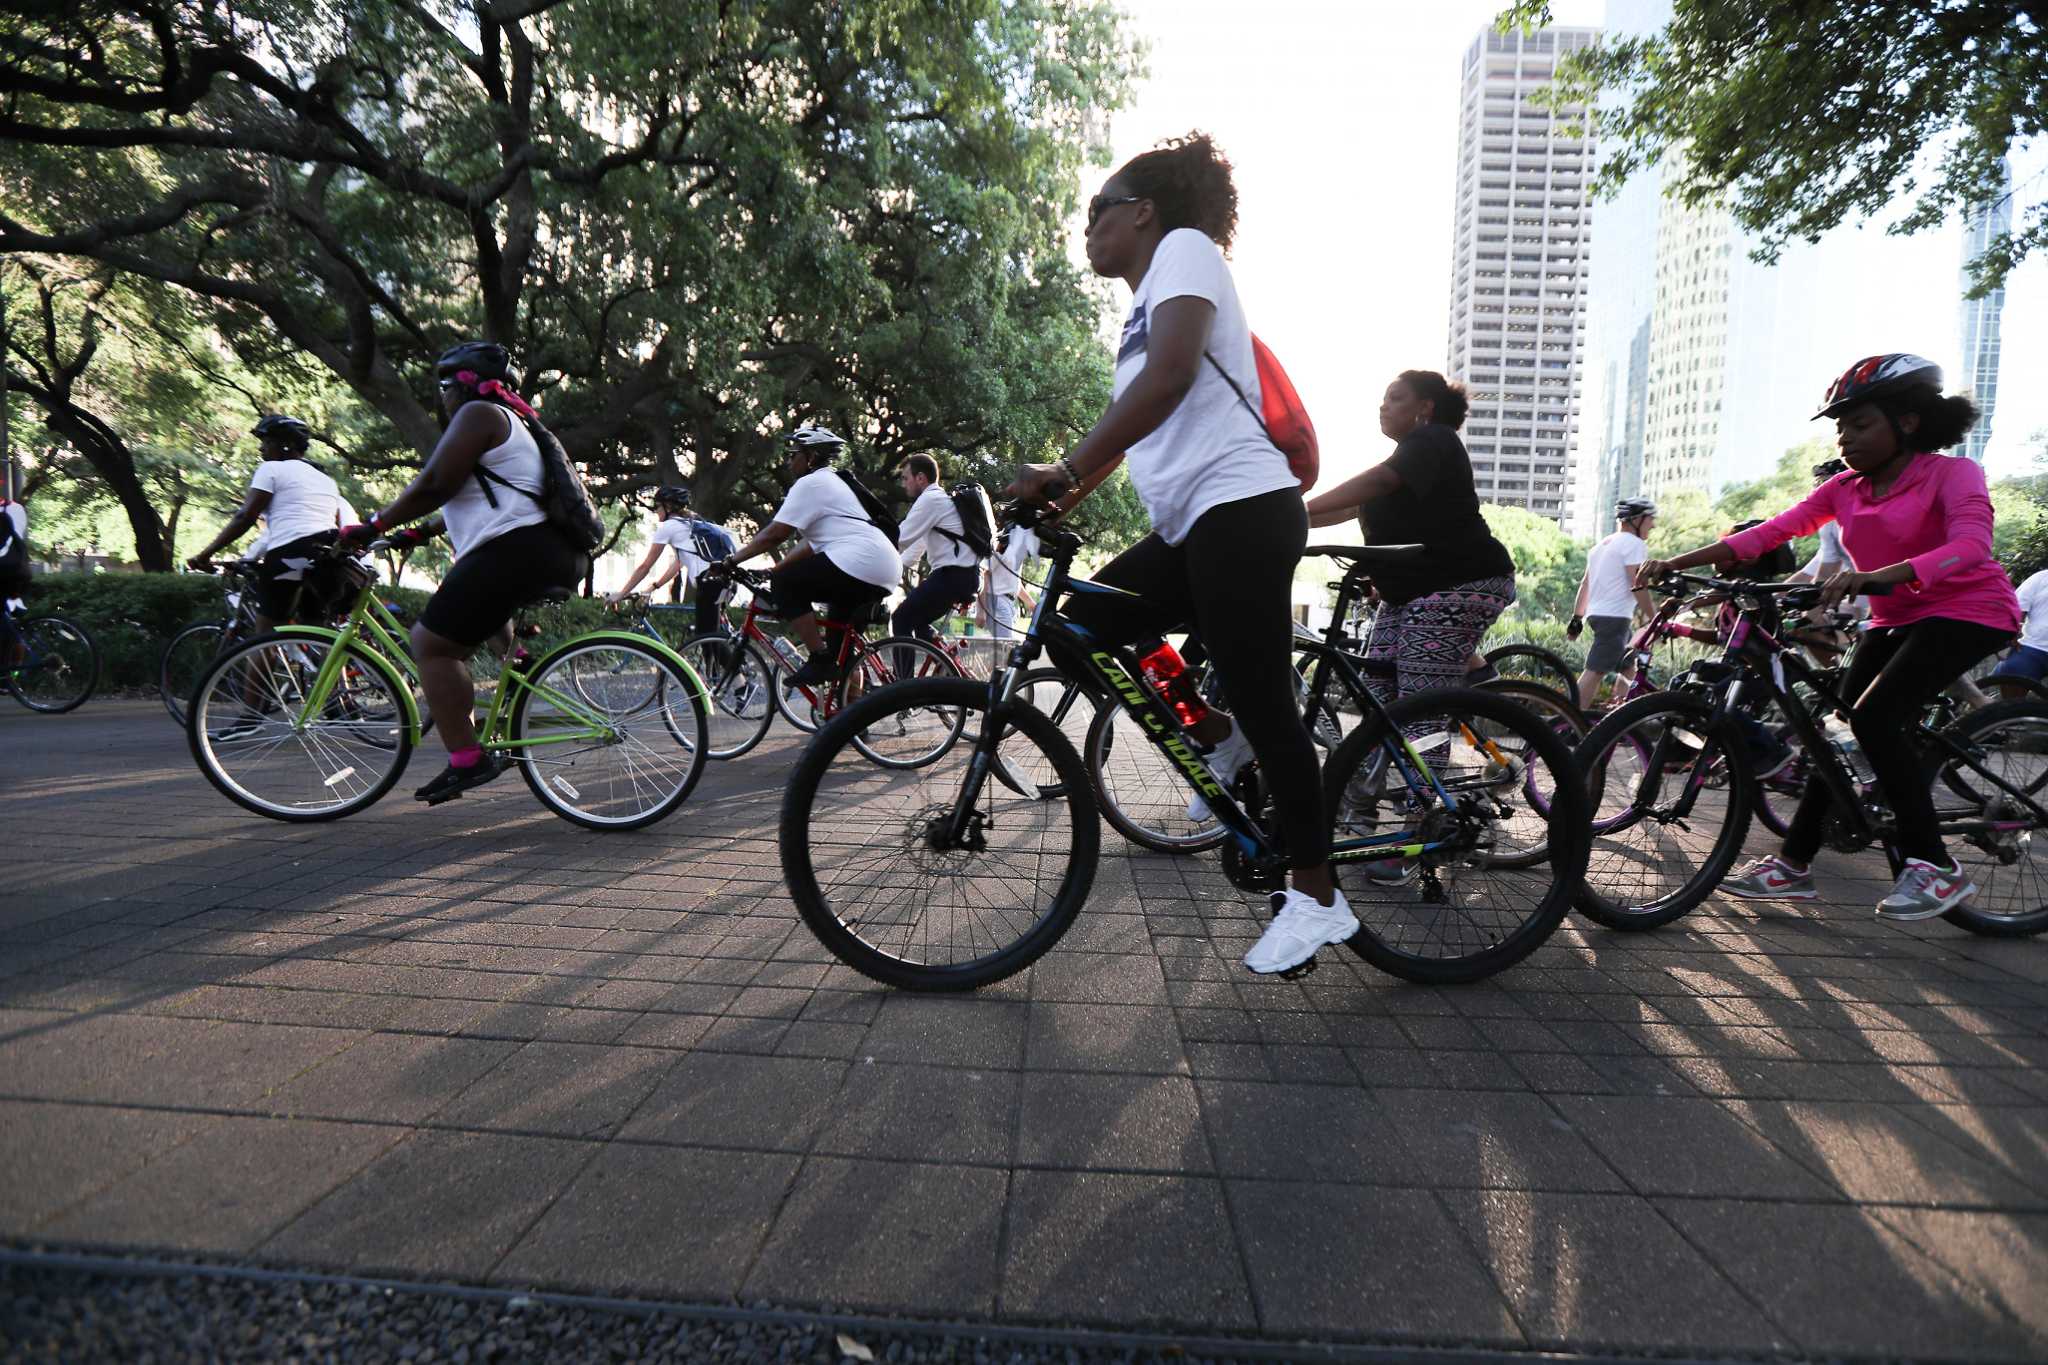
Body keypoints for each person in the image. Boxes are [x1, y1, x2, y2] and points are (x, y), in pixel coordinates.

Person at [1004, 132, 1343, 975]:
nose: (1089, 230)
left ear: (1144, 211)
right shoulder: (1143, 302)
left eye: (1098, 213)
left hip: (1244, 509)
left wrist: (1063, 468)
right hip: (1196, 524)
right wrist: (1055, 498)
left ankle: (1317, 896)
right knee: (1080, 625)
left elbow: (1175, 378)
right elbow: (1134, 430)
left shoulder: (1186, 253)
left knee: (1272, 705)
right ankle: (1214, 732)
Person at [1636, 353, 2021, 921]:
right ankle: (1792, 864)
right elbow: (1769, 533)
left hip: (1970, 609)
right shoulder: (1845, 488)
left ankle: (1936, 867)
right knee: (1835, 730)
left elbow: (1971, 547)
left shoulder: (1954, 474)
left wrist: (1875, 577)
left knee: (1873, 718)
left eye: (1859, 424)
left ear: (1907, 422)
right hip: (1894, 618)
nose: (1846, 438)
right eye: (1840, 427)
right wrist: (1675, 560)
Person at [340, 342, 588, 804]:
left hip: (514, 550)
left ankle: (467, 759)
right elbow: (486, 495)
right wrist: (417, 534)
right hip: (541, 549)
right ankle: (522, 679)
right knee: (482, 616)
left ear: (465, 384)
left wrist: (373, 525)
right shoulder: (518, 423)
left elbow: (435, 483)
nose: (442, 396)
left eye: (443, 385)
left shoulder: (479, 414)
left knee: (431, 645)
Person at [1304, 370, 1518, 729]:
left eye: (1395, 397)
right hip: (1410, 592)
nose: (1383, 406)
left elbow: (1379, 479)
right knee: (1378, 695)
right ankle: (1374, 780)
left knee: (1418, 706)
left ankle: (1423, 783)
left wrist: (1298, 509)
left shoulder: (1435, 439)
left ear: (1425, 407)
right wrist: (1283, 521)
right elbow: (1347, 507)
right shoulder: (1411, 456)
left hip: (1460, 582)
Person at [715, 425, 901, 686]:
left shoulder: (811, 483)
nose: (790, 460)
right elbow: (809, 545)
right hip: (880, 565)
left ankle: (818, 660)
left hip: (859, 561)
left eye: (794, 454)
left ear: (811, 457)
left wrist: (731, 560)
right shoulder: (834, 483)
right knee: (842, 653)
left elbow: (775, 534)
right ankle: (849, 716)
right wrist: (774, 569)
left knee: (786, 585)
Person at [187, 416, 355, 632]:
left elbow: (245, 517)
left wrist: (205, 555)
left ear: (286, 445)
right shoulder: (327, 480)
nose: (261, 448)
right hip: (328, 556)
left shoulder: (271, 469)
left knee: (265, 638)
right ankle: (326, 664)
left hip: (290, 554)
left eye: (266, 442)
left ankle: (263, 659)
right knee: (321, 635)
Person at [608, 485, 736, 637]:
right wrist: (654, 587)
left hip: (709, 583)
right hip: (726, 580)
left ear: (668, 507)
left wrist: (622, 593)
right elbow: (678, 563)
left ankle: (733, 660)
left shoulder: (668, 527)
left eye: (657, 506)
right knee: (713, 638)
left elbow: (645, 566)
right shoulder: (693, 523)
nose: (655, 511)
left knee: (707, 640)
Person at [1568, 498, 1657, 708]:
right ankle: (1569, 721)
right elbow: (1638, 585)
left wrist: (1576, 618)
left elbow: (1586, 583)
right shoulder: (1634, 544)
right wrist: (1655, 619)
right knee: (1595, 670)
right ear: (1636, 519)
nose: (1653, 524)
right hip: (1614, 618)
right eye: (1650, 519)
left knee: (1628, 665)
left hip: (1600, 615)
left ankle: (1617, 714)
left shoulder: (1601, 545)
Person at [893, 454, 982, 644]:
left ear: (920, 478)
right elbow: (912, 552)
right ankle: (945, 663)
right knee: (917, 622)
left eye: (905, 478)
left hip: (952, 576)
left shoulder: (930, 500)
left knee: (900, 619)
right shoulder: (940, 501)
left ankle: (904, 675)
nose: (903, 484)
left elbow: (897, 540)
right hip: (966, 576)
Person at [1987, 567, 2048, 700]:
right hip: (2033, 649)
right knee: (2012, 671)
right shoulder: (2041, 578)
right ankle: (2010, 716)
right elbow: (2016, 610)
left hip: (2033, 650)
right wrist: (2010, 637)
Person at [984, 521, 1040, 638]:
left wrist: (1030, 603)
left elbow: (1015, 584)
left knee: (1006, 646)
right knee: (1005, 645)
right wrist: (981, 610)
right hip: (997, 600)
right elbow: (986, 573)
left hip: (1009, 602)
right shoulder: (1002, 547)